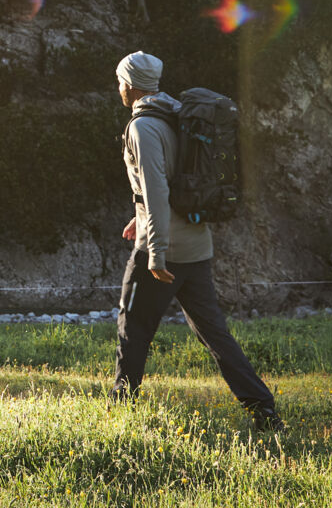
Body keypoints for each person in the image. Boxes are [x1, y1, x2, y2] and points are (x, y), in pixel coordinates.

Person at [112, 51, 284, 432]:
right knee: (216, 334)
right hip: (197, 245)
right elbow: (179, 180)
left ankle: (121, 412)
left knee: (132, 329)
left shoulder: (143, 127)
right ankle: (264, 411)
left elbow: (157, 191)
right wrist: (135, 218)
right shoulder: (180, 114)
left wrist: (155, 253)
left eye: (120, 81)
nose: (119, 87)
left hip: (163, 252)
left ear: (130, 84)